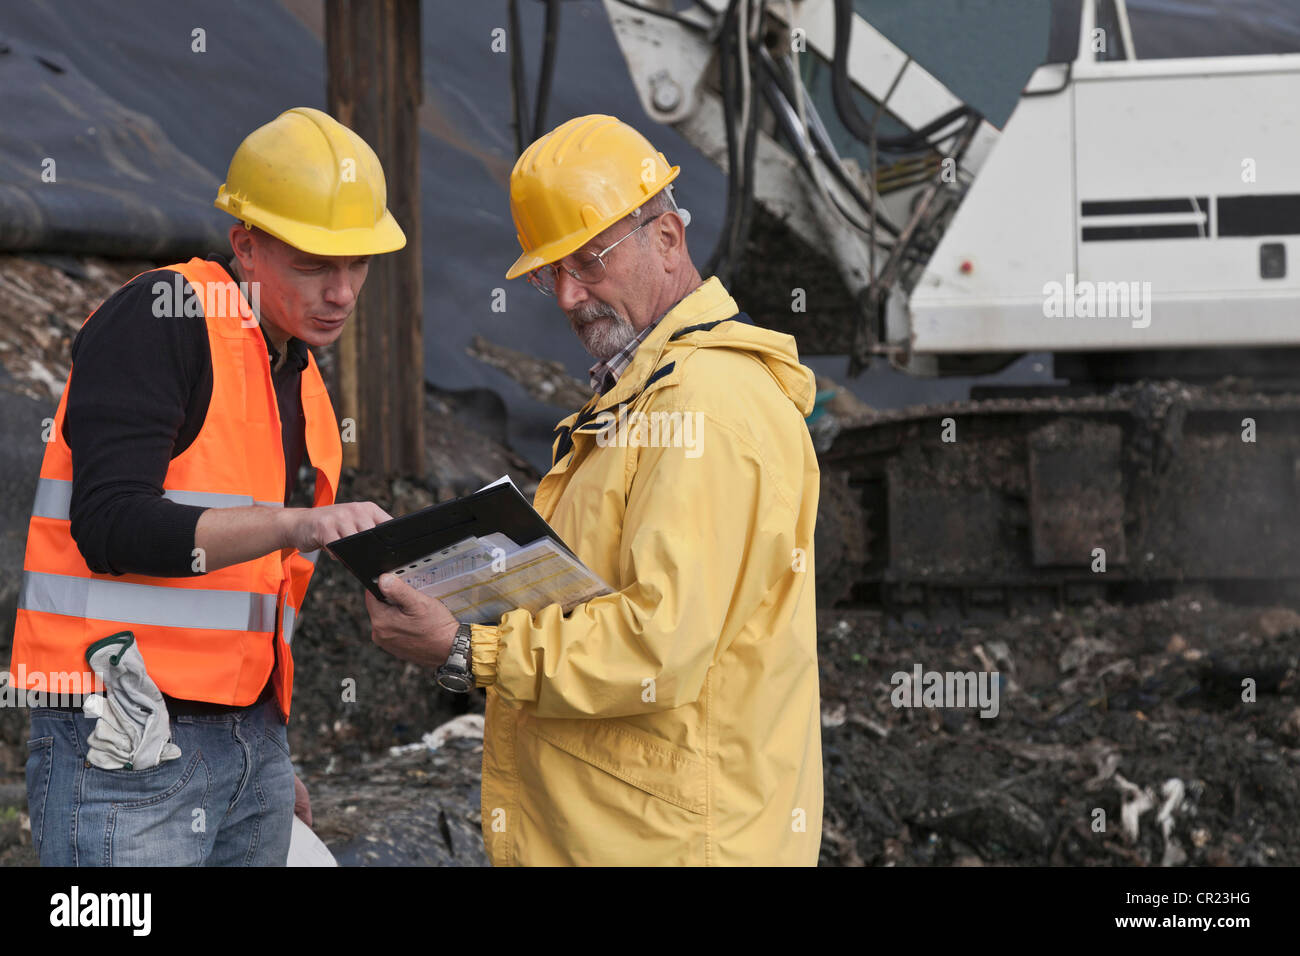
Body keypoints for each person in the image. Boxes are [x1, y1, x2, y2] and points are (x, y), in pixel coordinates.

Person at [366, 113, 824, 865]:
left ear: (668, 238)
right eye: (552, 274)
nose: (571, 296)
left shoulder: (702, 407)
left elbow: (657, 646)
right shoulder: (647, 398)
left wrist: (468, 649)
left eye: (590, 261)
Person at [11, 106, 399, 866]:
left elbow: (265, 600)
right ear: (246, 246)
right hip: (120, 738)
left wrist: (260, 746)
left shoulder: (298, 376)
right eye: (316, 263)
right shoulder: (166, 317)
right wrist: (293, 523)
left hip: (240, 746)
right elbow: (111, 523)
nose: (343, 291)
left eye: (357, 263)